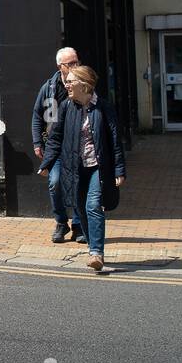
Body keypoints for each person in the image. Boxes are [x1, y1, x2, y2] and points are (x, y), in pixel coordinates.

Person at [39, 65, 126, 272]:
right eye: (66, 81)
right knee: (79, 207)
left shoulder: (103, 108)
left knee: (93, 205)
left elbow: (115, 140)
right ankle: (91, 245)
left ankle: (97, 252)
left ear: (84, 85)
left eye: (71, 81)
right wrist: (47, 164)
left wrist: (119, 169)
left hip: (98, 166)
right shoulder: (67, 107)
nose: (67, 85)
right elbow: (55, 138)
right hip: (74, 167)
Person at [31, 47, 81, 243]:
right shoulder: (49, 88)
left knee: (78, 184)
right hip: (55, 147)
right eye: (71, 63)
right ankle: (61, 222)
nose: (75, 66)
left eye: (77, 61)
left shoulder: (82, 84)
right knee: (55, 182)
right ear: (60, 66)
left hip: (78, 144)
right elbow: (37, 116)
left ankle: (78, 225)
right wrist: (37, 142)